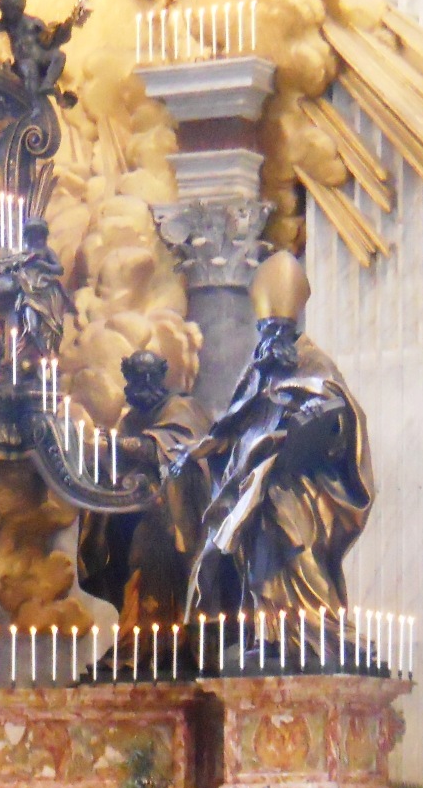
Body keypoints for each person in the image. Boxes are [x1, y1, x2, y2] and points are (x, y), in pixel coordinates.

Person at [181, 252, 373, 652]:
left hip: (296, 483)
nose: (270, 340)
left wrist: (309, 415)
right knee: (259, 558)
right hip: (256, 483)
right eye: (265, 329)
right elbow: (232, 422)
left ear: (292, 330)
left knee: (296, 548)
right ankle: (268, 634)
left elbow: (340, 411)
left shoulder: (312, 361)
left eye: (279, 330)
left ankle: (322, 629)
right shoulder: (258, 369)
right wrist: (201, 452)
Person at [78, 351, 211, 648]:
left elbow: (169, 450)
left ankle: (167, 645)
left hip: (175, 523)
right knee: (133, 565)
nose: (144, 382)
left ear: (161, 375)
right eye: (137, 376)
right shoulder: (131, 418)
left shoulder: (181, 408)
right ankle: (138, 643)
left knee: (154, 565)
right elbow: (118, 464)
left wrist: (119, 444)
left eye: (150, 375)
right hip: (140, 516)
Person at [0, 0, 89, 107]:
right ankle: (30, 103)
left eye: (5, 9)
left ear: (15, 10)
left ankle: (47, 84)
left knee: (59, 56)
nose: (3, 13)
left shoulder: (34, 23)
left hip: (41, 59)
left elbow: (50, 41)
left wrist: (64, 28)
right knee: (28, 68)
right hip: (24, 62)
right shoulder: (7, 23)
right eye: (2, 9)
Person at [0, 216, 72, 357]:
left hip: (45, 293)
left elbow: (59, 269)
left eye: (38, 235)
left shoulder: (46, 252)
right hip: (27, 294)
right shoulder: (23, 254)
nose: (35, 239)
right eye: (32, 235)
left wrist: (41, 264)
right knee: (31, 327)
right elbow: (9, 267)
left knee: (46, 328)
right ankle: (41, 358)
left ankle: (46, 360)